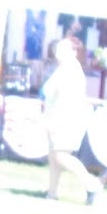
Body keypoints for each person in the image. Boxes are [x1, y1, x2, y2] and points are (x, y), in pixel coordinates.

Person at [40, 38, 100, 203]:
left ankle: (92, 184)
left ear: (73, 52)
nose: (58, 52)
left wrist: (55, 122)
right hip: (57, 118)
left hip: (66, 120)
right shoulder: (63, 68)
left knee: (61, 156)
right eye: (58, 48)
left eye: (63, 49)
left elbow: (66, 99)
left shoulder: (70, 70)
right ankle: (52, 192)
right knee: (54, 157)